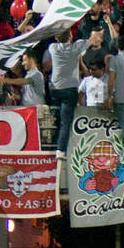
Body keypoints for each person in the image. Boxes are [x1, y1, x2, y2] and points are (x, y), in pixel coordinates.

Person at [45, 27, 86, 155]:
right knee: (65, 121)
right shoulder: (76, 48)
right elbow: (92, 39)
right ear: (71, 36)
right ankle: (61, 150)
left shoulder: (52, 47)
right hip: (69, 90)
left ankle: (52, 146)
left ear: (57, 38)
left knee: (56, 118)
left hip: (55, 89)